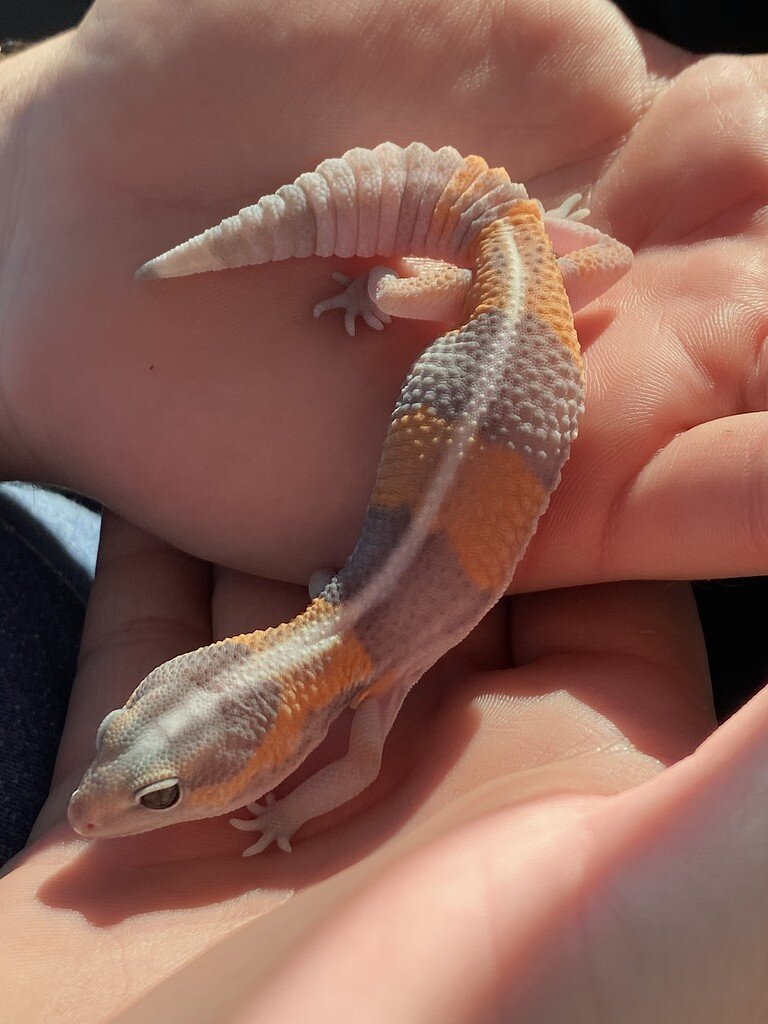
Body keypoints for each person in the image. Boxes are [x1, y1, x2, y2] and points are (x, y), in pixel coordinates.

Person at [0, 0, 766, 1018]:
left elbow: (346, 781)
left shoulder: (360, 663)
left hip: (512, 293)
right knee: (522, 262)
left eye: (159, 797)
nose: (105, 813)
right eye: (144, 773)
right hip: (506, 284)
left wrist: (282, 833)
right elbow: (344, 778)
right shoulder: (354, 649)